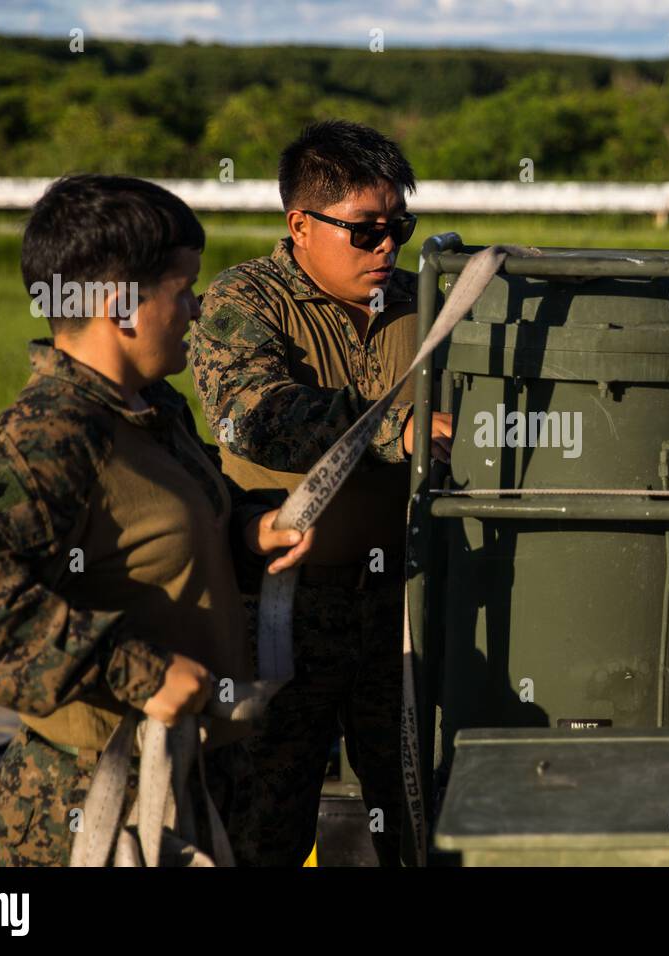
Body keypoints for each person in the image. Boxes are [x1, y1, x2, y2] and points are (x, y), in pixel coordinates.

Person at [0, 174, 314, 866]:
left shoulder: (149, 412)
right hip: (90, 810)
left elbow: (165, 534)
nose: (197, 309)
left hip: (184, 782)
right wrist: (140, 671)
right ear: (120, 307)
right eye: (182, 290)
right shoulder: (51, 436)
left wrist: (249, 531)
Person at [190, 119, 451, 866]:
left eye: (400, 226)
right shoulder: (245, 302)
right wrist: (390, 430)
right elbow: (253, 419)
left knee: (422, 820)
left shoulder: (427, 304)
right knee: (264, 831)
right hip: (279, 614)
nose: (387, 247)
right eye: (366, 231)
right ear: (301, 224)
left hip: (403, 617)